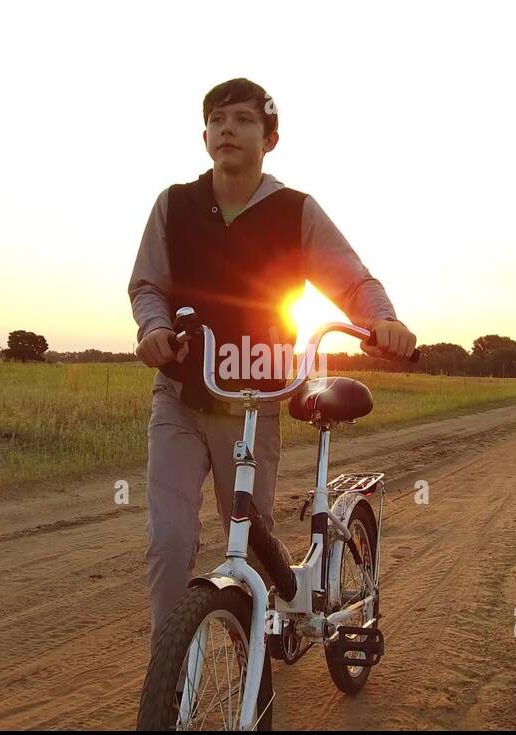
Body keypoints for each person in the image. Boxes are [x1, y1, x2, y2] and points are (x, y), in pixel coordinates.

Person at [127, 77, 417, 648]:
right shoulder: (175, 205)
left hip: (253, 408)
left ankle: (249, 660)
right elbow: (147, 285)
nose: (226, 128)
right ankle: (170, 679)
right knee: (169, 538)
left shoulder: (294, 212)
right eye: (216, 120)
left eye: (242, 119)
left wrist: (383, 319)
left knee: (252, 541)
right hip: (181, 401)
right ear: (204, 135)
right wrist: (154, 328)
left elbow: (351, 278)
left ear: (271, 137)